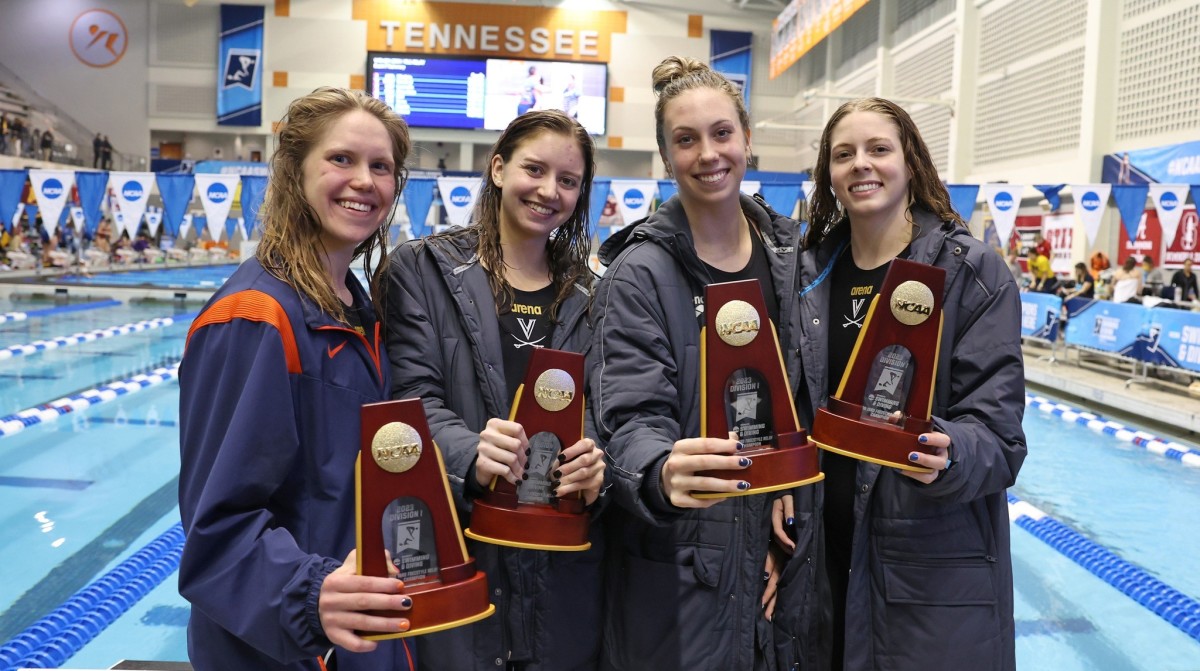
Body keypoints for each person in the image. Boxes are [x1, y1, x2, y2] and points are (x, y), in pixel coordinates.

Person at [774, 97, 1027, 670]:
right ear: (828, 174)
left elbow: (1000, 437)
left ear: (910, 161)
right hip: (816, 562)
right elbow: (785, 409)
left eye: (878, 149)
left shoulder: (970, 273)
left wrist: (950, 453)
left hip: (923, 562)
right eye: (844, 154)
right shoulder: (807, 275)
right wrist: (775, 481)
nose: (861, 164)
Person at [178, 87, 416, 671]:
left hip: (360, 631)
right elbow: (216, 527)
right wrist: (310, 596)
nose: (365, 180)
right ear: (294, 171)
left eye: (380, 166)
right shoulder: (256, 315)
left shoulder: (361, 312)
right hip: (287, 646)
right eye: (342, 159)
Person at [588, 56, 805, 670]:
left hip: (777, 567)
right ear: (666, 157)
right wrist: (657, 470)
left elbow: (803, 403)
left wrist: (783, 498)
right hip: (680, 567)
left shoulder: (789, 260)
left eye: (721, 133)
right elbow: (624, 421)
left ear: (747, 139)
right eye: (686, 140)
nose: (708, 153)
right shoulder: (640, 274)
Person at [386, 109, 606, 670]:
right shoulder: (422, 270)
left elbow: (609, 409)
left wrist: (596, 462)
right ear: (499, 168)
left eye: (568, 181)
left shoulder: (594, 292)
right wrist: (470, 454)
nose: (548, 191)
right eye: (535, 169)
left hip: (560, 564)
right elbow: (408, 402)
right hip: (458, 553)